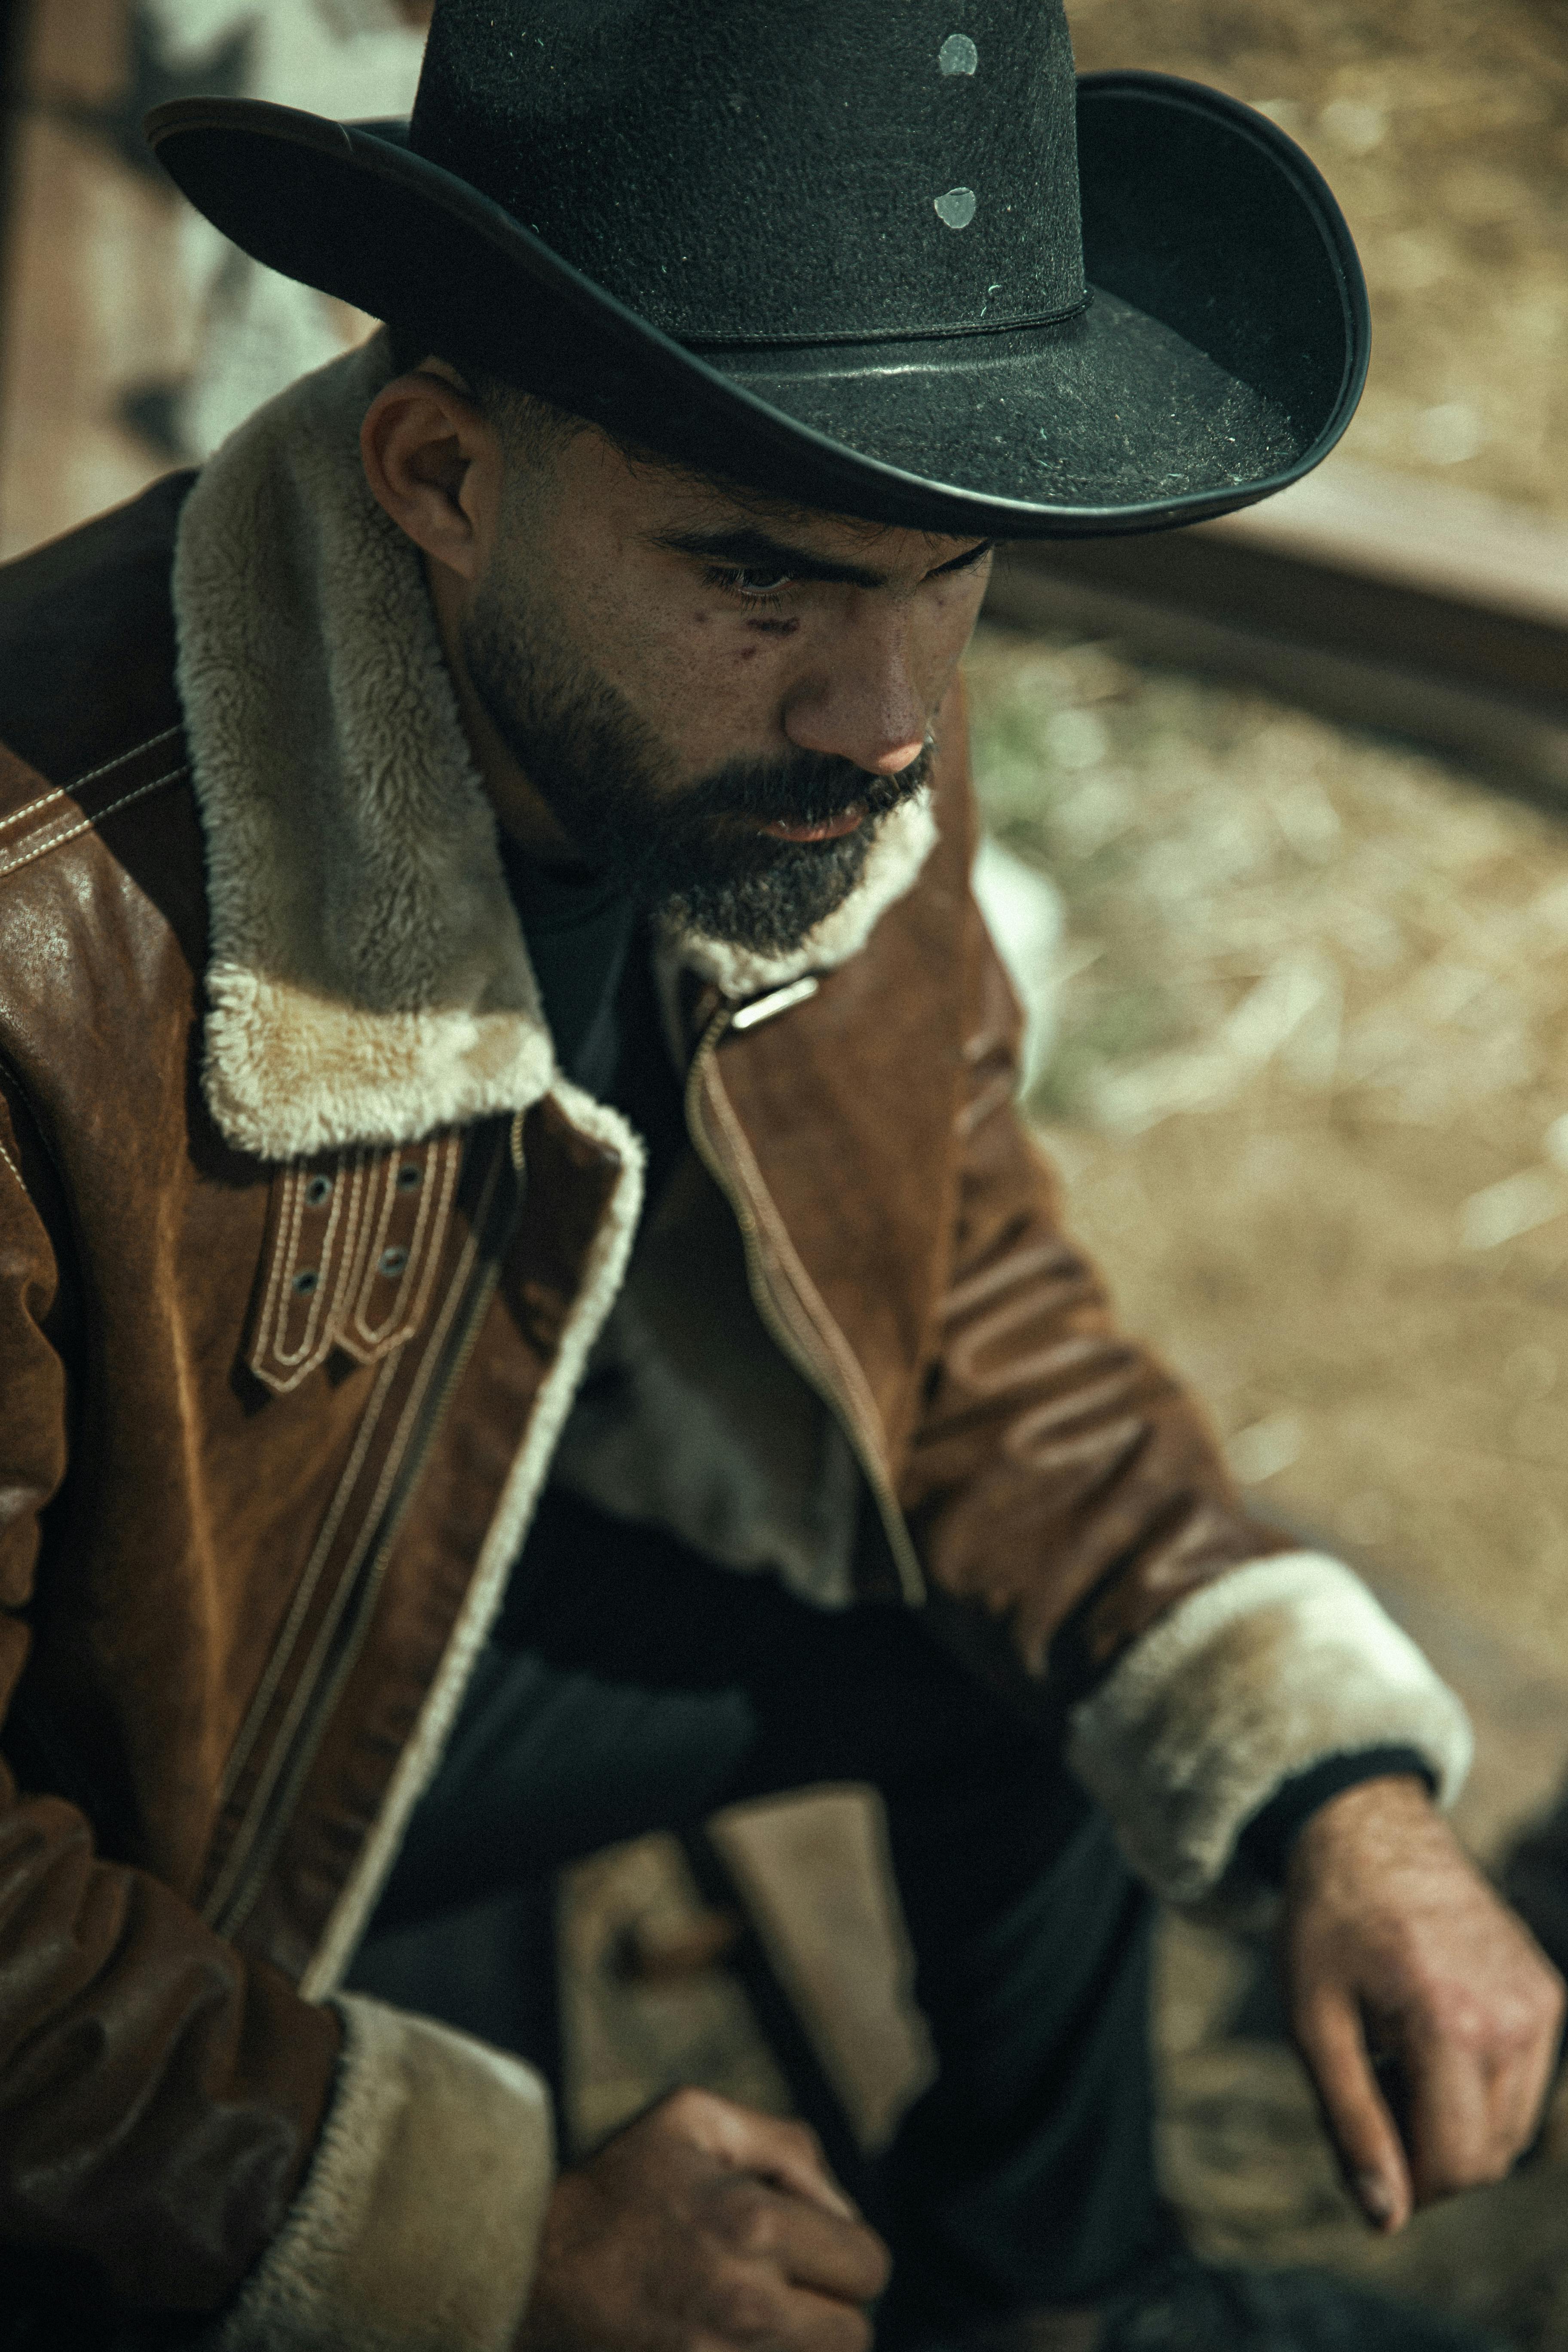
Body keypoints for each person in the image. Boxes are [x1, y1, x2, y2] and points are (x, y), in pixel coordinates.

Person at [0, 3, 1559, 2347]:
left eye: (957, 574)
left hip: (449, 1621)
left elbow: (965, 1302)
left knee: (1063, 1679)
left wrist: (1339, 1783)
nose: (895, 713)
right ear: (439, 471)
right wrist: (477, 2234)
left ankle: (1062, 2296)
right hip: (144, 1821)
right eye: (765, 579)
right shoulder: (37, 949)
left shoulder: (819, 717)